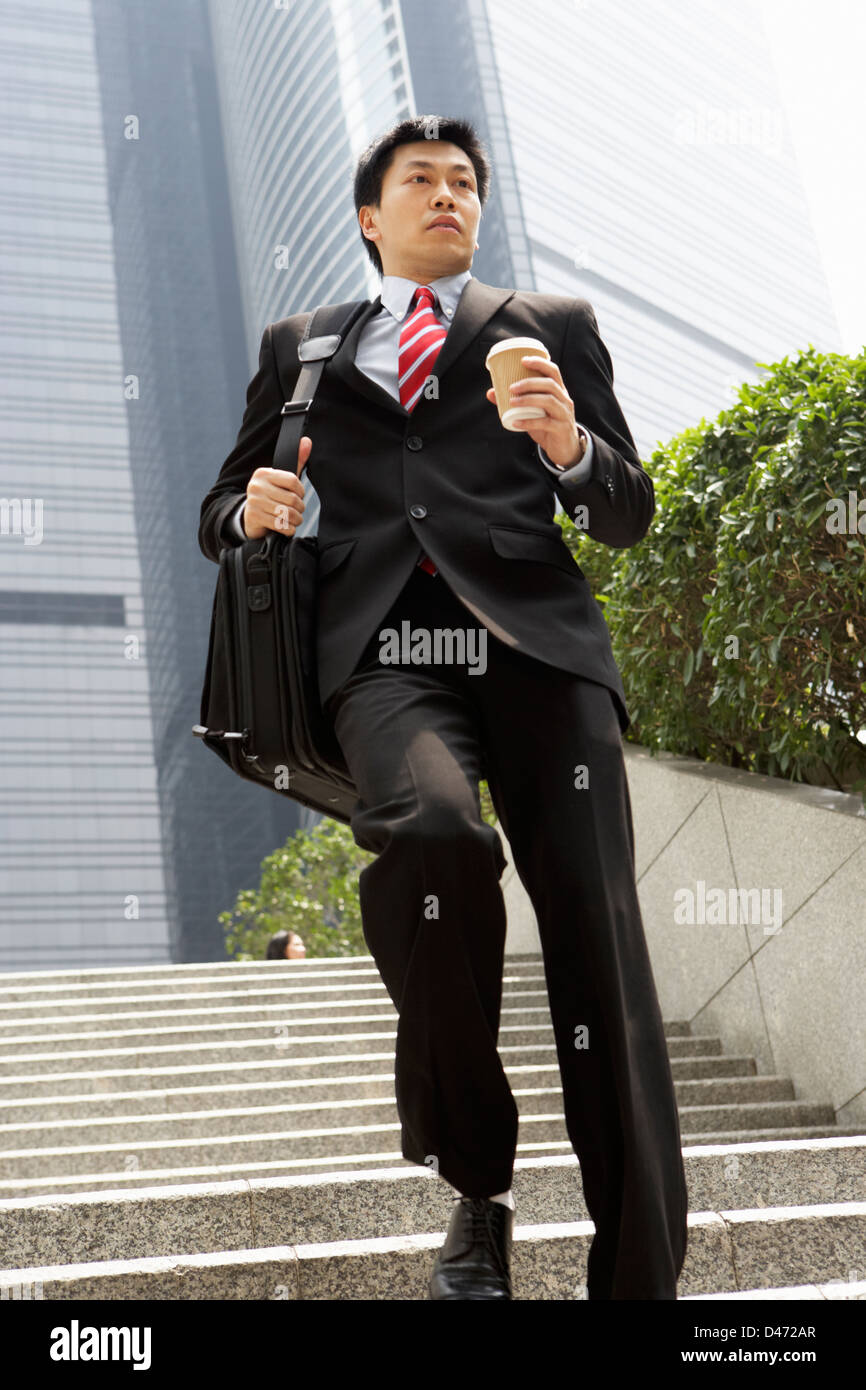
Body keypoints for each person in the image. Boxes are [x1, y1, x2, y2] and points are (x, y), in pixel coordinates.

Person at [198, 115, 688, 1301]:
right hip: (380, 654)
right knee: (426, 838)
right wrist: (248, 510)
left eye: (464, 181)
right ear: (371, 217)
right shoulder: (300, 346)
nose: (447, 195)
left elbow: (624, 508)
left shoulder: (548, 329)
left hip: (539, 653)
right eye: (418, 181)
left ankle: (638, 1283)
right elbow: (220, 504)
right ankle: (478, 1183)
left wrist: (569, 444)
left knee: (596, 944)